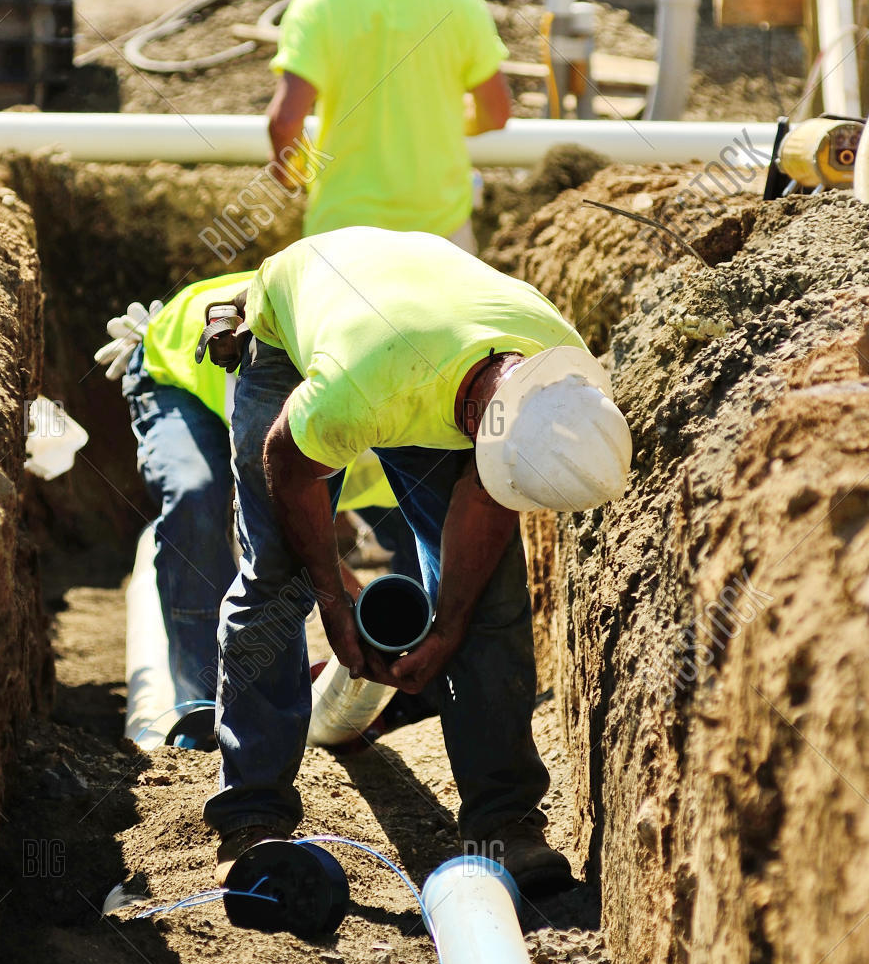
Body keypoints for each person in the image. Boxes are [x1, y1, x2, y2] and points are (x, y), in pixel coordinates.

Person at [197, 227, 633, 891]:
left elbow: (488, 495)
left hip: (437, 346)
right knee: (277, 579)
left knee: (492, 594)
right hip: (300, 337)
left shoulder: (558, 378)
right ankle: (253, 818)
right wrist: (334, 605)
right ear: (490, 428)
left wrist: (452, 623)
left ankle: (505, 825)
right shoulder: (358, 387)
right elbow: (288, 467)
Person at [94, 273, 417, 714]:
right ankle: (203, 702)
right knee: (197, 499)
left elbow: (424, 523)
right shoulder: (275, 380)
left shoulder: (404, 397)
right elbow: (278, 510)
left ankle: (427, 690)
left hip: (281, 356)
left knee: (400, 513)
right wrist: (339, 594)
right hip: (179, 373)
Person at [267, 0, 512, 251]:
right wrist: (452, 124)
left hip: (342, 237)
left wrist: (294, 174)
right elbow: (497, 113)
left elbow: (285, 122)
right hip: (440, 235)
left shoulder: (316, 3)